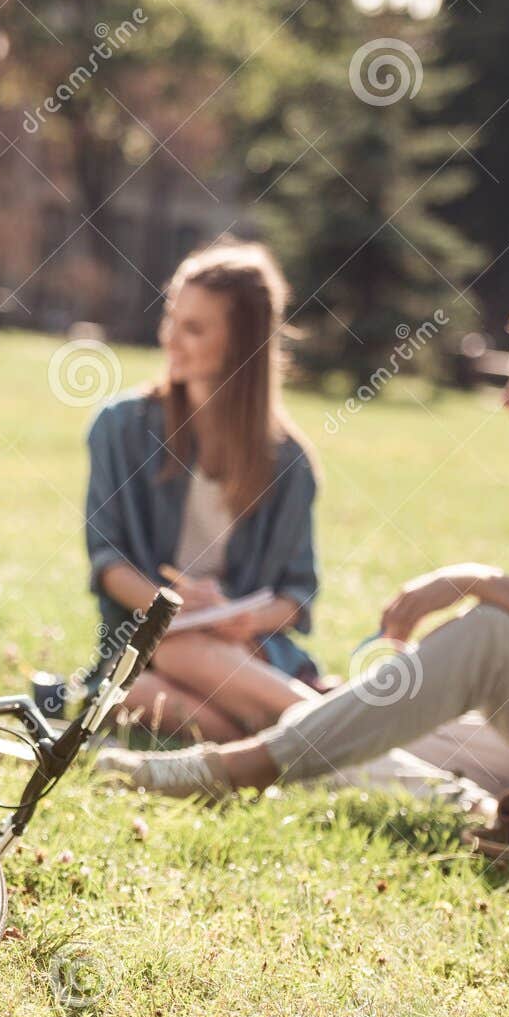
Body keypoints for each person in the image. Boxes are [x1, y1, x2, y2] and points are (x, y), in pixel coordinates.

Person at [98, 289, 509, 799]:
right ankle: (441, 796)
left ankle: (227, 771)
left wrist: (474, 583)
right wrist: (428, 673)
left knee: (485, 633)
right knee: (368, 727)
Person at [85, 240, 320, 741]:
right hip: (148, 643)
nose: (171, 338)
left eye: (194, 328)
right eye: (172, 319)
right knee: (137, 688)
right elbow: (107, 561)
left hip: (245, 648)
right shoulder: (119, 428)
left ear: (242, 343)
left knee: (171, 664)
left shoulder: (290, 464)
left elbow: (297, 594)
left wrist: (245, 620)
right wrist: (170, 607)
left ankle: (307, 737)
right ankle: (312, 736)